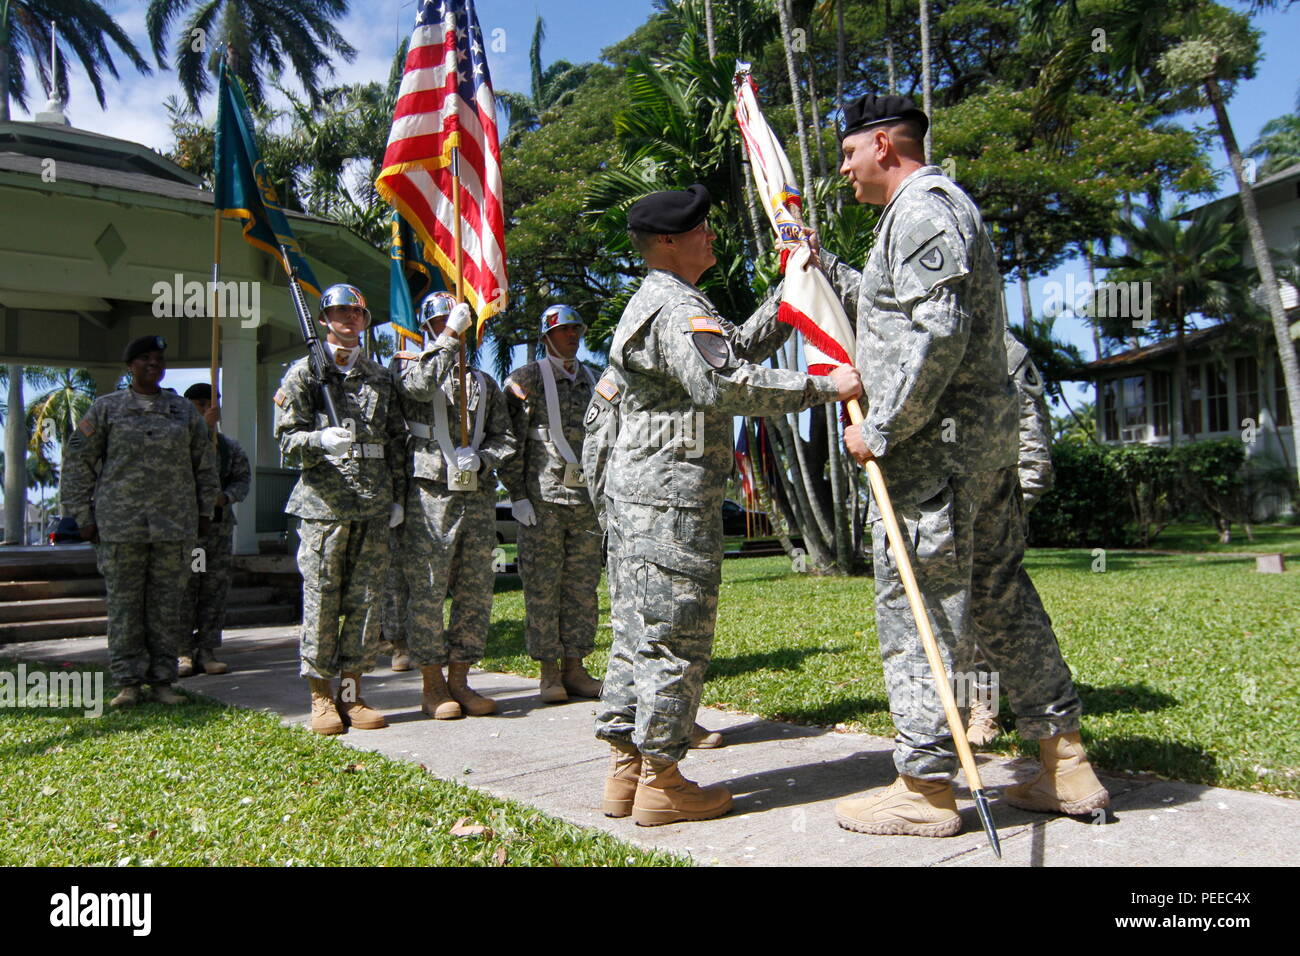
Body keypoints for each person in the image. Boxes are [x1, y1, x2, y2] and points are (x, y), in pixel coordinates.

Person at [822, 94, 1108, 836]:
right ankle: (1062, 760)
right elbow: (901, 313)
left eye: (849, 154)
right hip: (976, 453)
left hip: (933, 461)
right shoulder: (936, 210)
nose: (845, 170)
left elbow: (938, 332)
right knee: (1001, 598)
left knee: (921, 612)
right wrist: (820, 264)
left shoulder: (921, 208)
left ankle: (923, 786)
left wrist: (881, 428)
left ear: (884, 144)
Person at [589, 184, 862, 826]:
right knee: (674, 636)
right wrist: (825, 386)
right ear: (665, 242)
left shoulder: (666, 302)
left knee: (639, 633)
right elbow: (722, 383)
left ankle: (627, 770)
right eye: (698, 227)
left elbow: (730, 350)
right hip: (669, 503)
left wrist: (790, 289)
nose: (710, 234)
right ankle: (663, 780)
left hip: (643, 501)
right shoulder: (673, 305)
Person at [275, 283, 407, 735]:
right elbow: (286, 441)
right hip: (324, 505)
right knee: (322, 599)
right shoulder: (303, 374)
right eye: (341, 312)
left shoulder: (379, 375)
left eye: (358, 312)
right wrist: (317, 440)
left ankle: (353, 694)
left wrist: (397, 498)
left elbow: (394, 441)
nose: (350, 320)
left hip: (371, 502)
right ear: (325, 319)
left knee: (366, 602)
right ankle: (321, 697)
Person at [60, 334, 219, 706]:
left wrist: (204, 512)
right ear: (129, 366)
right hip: (120, 527)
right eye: (145, 358)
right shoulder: (105, 409)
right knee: (125, 607)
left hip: (173, 527)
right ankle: (128, 682)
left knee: (167, 607)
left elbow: (205, 465)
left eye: (159, 359)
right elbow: (78, 463)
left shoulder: (182, 412)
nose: (153, 364)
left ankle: (163, 681)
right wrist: (82, 515)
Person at [395, 292, 516, 718]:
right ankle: (432, 684)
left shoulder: (485, 383)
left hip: (476, 494)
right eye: (443, 320)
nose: (456, 327)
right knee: (428, 588)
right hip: (430, 492)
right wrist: (448, 336)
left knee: (474, 589)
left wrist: (485, 458)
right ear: (428, 325)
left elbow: (506, 438)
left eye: (461, 321)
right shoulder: (409, 365)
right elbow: (419, 386)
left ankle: (461, 679)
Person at [499, 305, 605, 703]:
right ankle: (548, 672)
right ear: (546, 336)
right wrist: (517, 494)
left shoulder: (595, 377)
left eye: (576, 329)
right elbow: (509, 441)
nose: (572, 336)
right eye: (563, 330)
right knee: (543, 587)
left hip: (586, 502)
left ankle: (575, 666)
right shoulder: (526, 379)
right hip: (542, 502)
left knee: (582, 587)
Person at [964, 332, 1054, 746]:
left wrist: (1003, 510)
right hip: (944, 505)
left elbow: (1034, 452)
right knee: (955, 613)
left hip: (994, 508)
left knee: (992, 607)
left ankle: (989, 708)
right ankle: (968, 702)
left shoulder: (1006, 351)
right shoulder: (933, 340)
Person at [178, 383, 251, 678]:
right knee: (186, 587)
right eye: (199, 404)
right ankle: (182, 650)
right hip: (188, 528)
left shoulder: (229, 448)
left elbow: (242, 480)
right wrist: (199, 431)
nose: (207, 409)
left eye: (211, 404)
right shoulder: (177, 443)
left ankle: (207, 649)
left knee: (214, 590)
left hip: (217, 530)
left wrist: (227, 496)